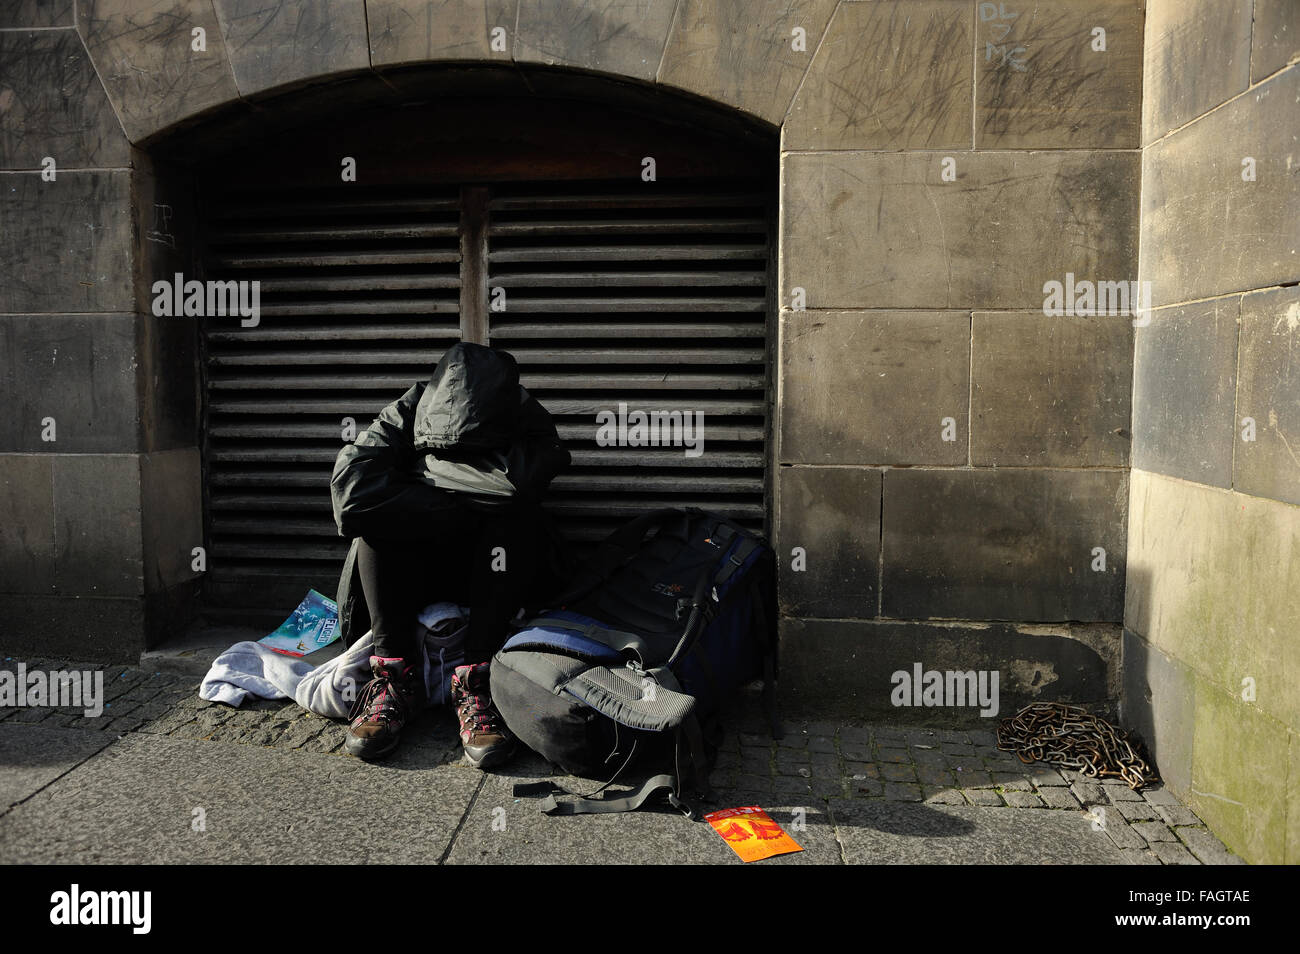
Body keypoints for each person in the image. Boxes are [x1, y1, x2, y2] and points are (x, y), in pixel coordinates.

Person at [329, 342, 570, 765]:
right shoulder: (409, 409)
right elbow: (351, 499)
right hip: (413, 571)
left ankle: (476, 685)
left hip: (492, 573)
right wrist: (458, 501)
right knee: (375, 528)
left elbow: (521, 486)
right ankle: (392, 680)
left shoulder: (521, 411)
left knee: (515, 522)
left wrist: (422, 481)